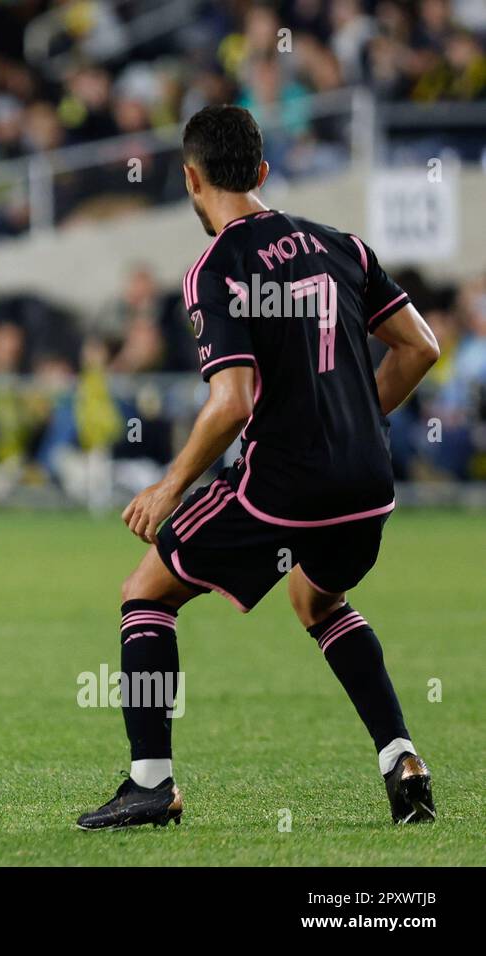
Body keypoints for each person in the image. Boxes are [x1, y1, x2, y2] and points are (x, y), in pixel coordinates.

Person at [77, 105, 441, 830]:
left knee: (145, 592)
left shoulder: (218, 266)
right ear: (264, 173)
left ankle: (151, 784)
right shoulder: (343, 245)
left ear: (191, 178)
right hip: (369, 484)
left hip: (284, 486)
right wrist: (357, 423)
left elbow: (232, 401)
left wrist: (167, 485)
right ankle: (402, 757)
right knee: (319, 603)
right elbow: (421, 348)